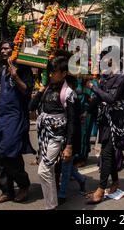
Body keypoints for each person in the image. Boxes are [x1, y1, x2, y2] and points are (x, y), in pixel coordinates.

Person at [0, 40, 36, 204]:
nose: (2, 50)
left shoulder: (24, 69)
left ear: (15, 51)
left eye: (6, 48)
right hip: (2, 117)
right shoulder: (1, 70)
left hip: (16, 116)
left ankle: (23, 185)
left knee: (9, 152)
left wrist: (15, 75)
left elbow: (27, 92)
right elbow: (2, 96)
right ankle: (6, 191)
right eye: (1, 48)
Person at [28, 56, 81, 210]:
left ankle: (51, 205)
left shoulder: (69, 93)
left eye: (55, 72)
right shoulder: (46, 89)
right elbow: (31, 106)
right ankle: (52, 204)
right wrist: (40, 91)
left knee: (43, 170)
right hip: (43, 136)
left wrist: (69, 146)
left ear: (64, 73)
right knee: (48, 171)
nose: (51, 75)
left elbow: (73, 121)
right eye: (50, 71)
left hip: (57, 137)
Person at [85, 51, 124, 204]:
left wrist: (93, 87)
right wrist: (87, 111)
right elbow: (98, 98)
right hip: (104, 119)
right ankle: (115, 181)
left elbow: (110, 98)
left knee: (106, 154)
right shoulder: (105, 78)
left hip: (115, 122)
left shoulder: (121, 78)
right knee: (107, 152)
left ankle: (101, 189)